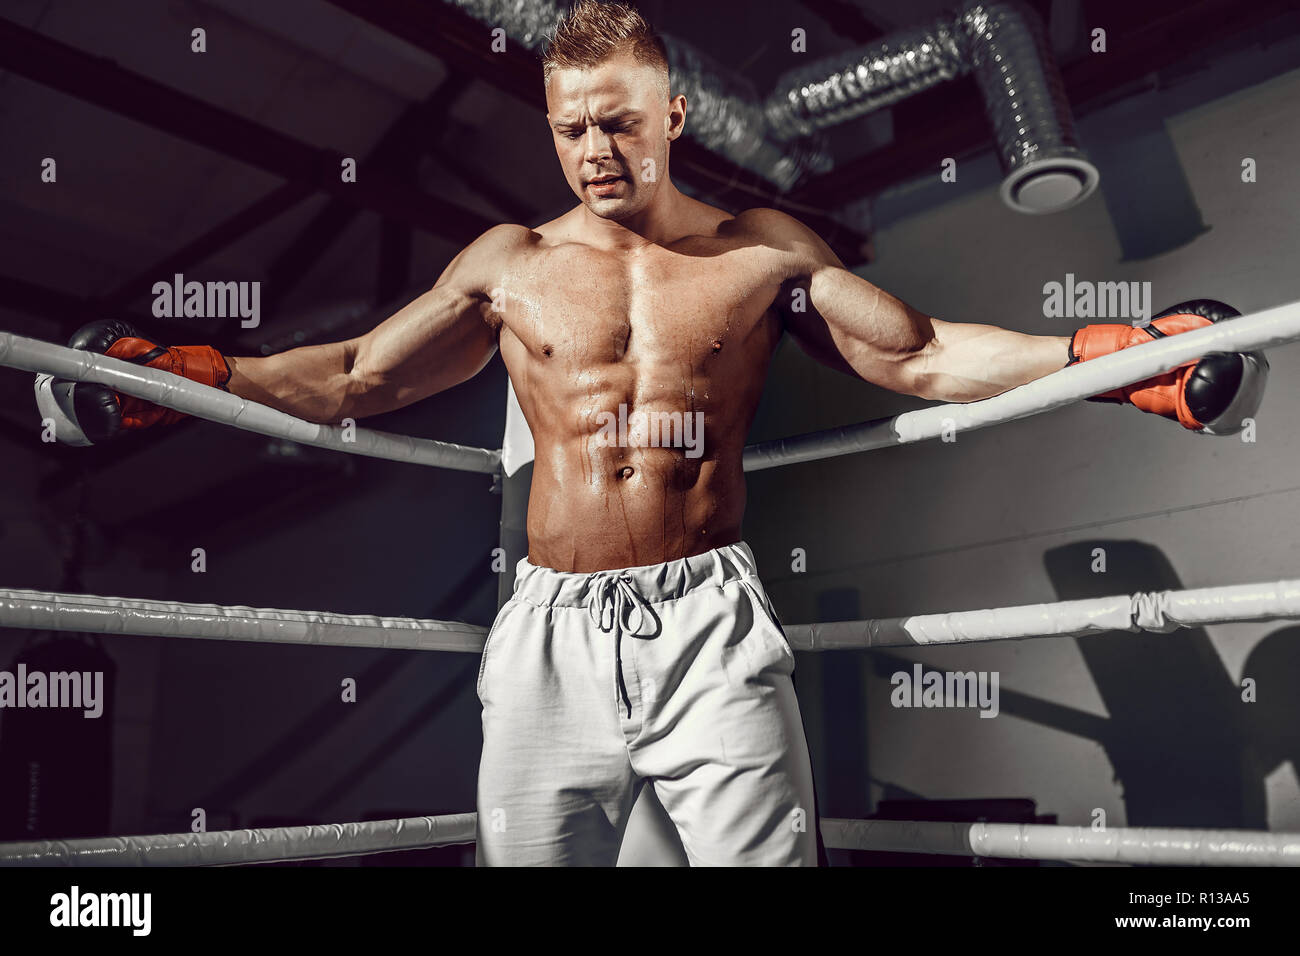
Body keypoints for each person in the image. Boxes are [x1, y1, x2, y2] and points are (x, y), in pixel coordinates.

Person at [39, 1, 1264, 865]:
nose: (594, 151)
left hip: (708, 622)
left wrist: (1109, 359)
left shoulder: (761, 255)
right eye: (571, 127)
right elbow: (358, 374)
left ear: (674, 113)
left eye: (619, 123)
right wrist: (191, 376)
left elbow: (924, 352)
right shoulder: (510, 263)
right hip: (548, 632)